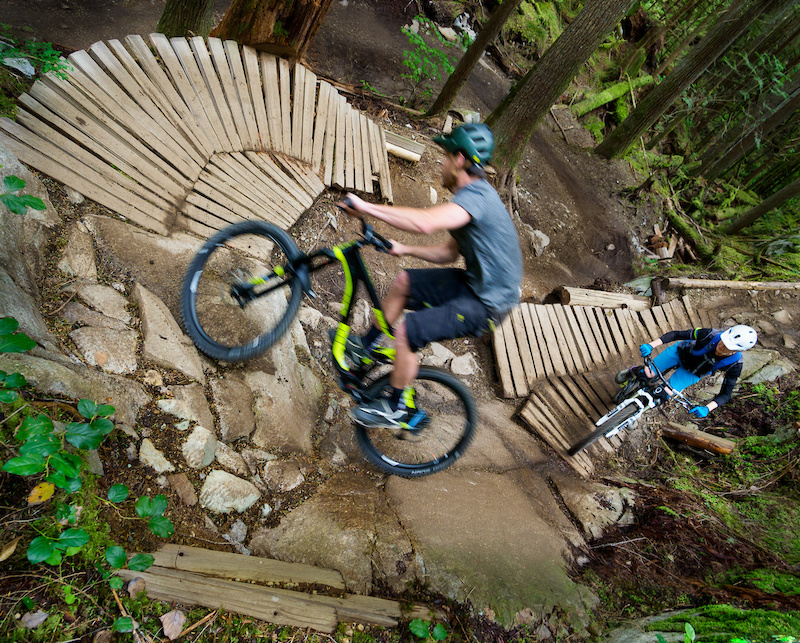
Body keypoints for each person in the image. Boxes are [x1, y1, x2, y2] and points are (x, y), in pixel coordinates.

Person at [333, 123, 523, 429]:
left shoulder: (477, 198)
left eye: (447, 157)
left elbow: (425, 223)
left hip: (488, 305)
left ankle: (396, 409)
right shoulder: (471, 199)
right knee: (404, 282)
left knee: (409, 331)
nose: (443, 164)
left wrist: (366, 206)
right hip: (475, 287)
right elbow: (450, 253)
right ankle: (364, 352)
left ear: (460, 160)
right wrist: (403, 248)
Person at [616, 325, 758, 418]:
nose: (721, 346)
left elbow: (726, 394)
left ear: (737, 351)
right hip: (679, 353)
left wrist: (707, 409)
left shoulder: (735, 365)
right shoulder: (710, 334)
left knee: (662, 396)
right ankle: (633, 371)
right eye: (723, 341)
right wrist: (651, 345)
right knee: (648, 374)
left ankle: (633, 413)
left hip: (692, 373)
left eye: (727, 347)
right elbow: (676, 334)